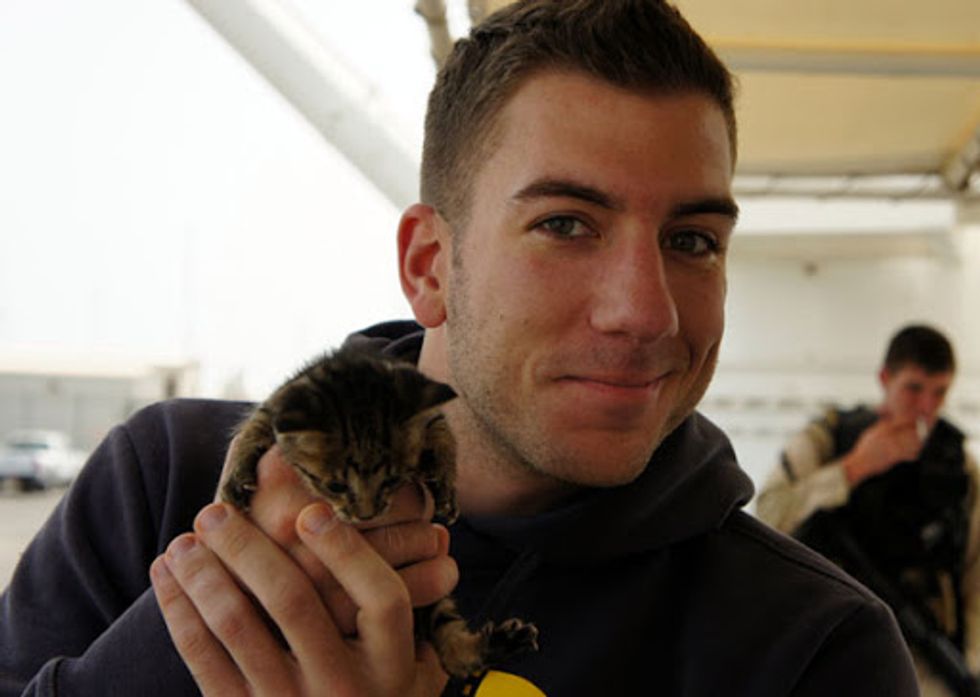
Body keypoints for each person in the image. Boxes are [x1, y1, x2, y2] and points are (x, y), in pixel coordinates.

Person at [0, 1, 919, 695]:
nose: (647, 315)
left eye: (692, 241)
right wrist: (200, 629)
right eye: (566, 223)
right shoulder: (169, 483)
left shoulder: (811, 646)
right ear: (430, 265)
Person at [757, 323, 980, 697]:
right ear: (884, 379)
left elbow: (976, 571)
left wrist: (970, 665)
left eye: (939, 392)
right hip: (836, 655)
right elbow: (769, 516)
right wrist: (853, 469)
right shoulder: (829, 439)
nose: (927, 406)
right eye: (913, 388)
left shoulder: (958, 466)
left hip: (932, 665)